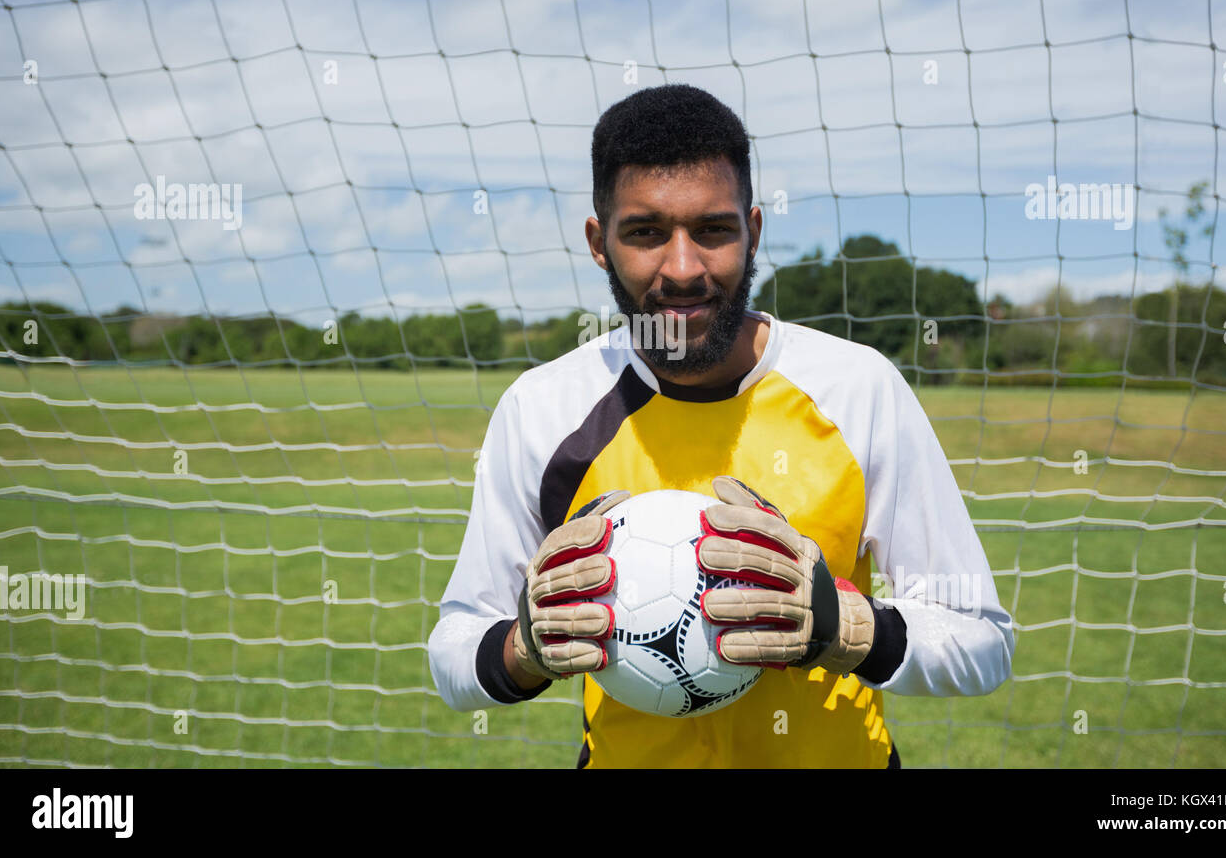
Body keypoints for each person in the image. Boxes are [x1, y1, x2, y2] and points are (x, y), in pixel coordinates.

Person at [429, 84, 1014, 768]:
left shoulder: (858, 389)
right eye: (646, 232)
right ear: (598, 242)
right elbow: (454, 647)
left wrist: (846, 626)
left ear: (754, 230)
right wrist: (520, 649)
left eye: (713, 229)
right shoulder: (544, 409)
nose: (684, 269)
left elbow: (983, 640)